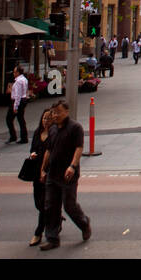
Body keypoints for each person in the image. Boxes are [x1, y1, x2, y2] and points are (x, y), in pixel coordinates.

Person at [40, 101, 91, 249]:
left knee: (69, 205)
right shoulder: (53, 129)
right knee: (50, 206)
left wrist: (72, 166)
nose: (55, 115)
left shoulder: (75, 128)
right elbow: (49, 150)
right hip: (52, 173)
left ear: (66, 112)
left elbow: (79, 148)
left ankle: (84, 223)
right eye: (54, 112)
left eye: (58, 112)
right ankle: (52, 238)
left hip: (68, 175)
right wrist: (43, 169)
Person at [28, 109, 53, 246]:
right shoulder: (38, 133)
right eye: (44, 118)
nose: (46, 121)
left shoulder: (54, 134)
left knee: (44, 204)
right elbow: (32, 148)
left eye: (49, 119)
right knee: (38, 203)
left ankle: (38, 232)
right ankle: (54, 216)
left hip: (49, 173)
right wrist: (32, 154)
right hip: (36, 172)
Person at [7, 65, 29, 144]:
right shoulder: (24, 79)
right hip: (23, 100)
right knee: (21, 119)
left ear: (18, 72)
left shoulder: (19, 81)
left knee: (9, 119)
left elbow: (18, 95)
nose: (13, 73)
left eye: (15, 72)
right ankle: (23, 137)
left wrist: (15, 106)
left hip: (18, 101)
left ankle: (14, 136)